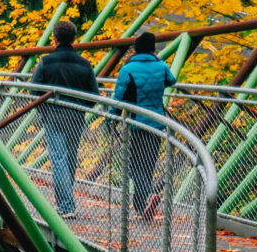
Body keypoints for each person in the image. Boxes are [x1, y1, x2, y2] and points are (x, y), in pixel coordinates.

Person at [31, 20, 99, 218]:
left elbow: (34, 90)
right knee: (69, 159)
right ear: (74, 38)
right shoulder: (85, 65)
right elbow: (93, 95)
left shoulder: (45, 62)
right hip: (76, 117)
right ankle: (65, 203)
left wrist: (44, 110)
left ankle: (66, 205)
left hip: (53, 116)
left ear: (54, 38)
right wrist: (81, 109)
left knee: (58, 158)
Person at [113, 31, 176, 219]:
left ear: (136, 49)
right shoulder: (161, 66)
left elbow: (118, 99)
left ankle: (147, 196)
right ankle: (141, 207)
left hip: (134, 123)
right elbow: (172, 81)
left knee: (134, 166)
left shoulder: (127, 69)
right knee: (147, 165)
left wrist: (111, 121)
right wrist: (157, 62)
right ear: (153, 49)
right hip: (157, 123)